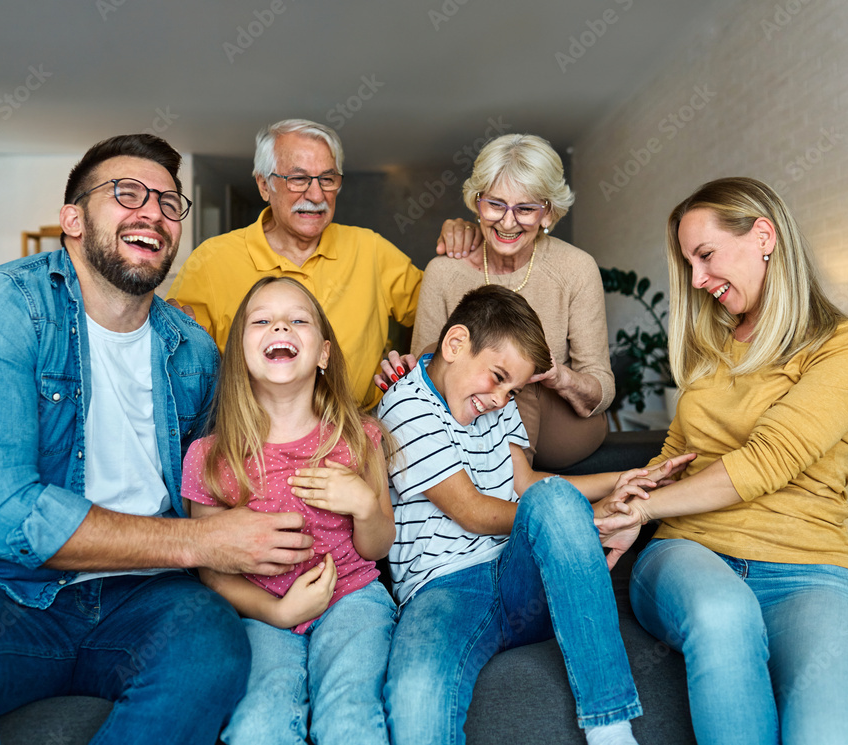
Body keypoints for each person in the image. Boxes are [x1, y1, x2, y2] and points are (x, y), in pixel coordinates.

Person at [0, 134, 315, 745]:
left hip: (143, 598)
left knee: (212, 639)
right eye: (127, 193)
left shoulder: (192, 350)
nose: (153, 213)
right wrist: (203, 540)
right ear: (73, 219)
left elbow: (227, 472)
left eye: (170, 204)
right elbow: (0, 513)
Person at [594, 177, 848, 745]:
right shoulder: (709, 347)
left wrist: (643, 508)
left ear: (763, 236)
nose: (698, 281)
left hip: (811, 569)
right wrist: (633, 501)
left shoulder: (846, 345)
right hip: (691, 552)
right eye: (690, 264)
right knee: (722, 616)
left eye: (705, 256)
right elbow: (680, 451)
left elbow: (770, 458)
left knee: (834, 731)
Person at [380, 285, 693, 745]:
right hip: (442, 590)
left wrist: (631, 475)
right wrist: (580, 518)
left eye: (515, 389)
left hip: (521, 576)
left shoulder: (494, 404)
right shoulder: (405, 406)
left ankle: (611, 727)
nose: (503, 399)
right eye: (498, 377)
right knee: (414, 698)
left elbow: (527, 485)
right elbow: (473, 511)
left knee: (551, 498)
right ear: (454, 345)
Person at [182, 276, 395, 745]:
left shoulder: (360, 438)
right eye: (262, 321)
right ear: (239, 352)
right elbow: (213, 574)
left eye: (298, 320)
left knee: (350, 717)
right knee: (258, 727)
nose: (281, 326)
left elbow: (379, 546)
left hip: (352, 599)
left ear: (323, 353)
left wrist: (363, 505)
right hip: (261, 614)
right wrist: (279, 613)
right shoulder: (210, 457)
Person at [391, 134, 614, 470]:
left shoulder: (576, 268)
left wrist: (557, 376)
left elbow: (602, 386)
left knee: (514, 374)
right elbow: (429, 367)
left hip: (561, 423)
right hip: (466, 422)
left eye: (525, 209)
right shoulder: (444, 271)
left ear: (548, 214)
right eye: (495, 205)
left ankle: (505, 497)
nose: (508, 222)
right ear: (475, 202)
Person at [166, 118, 422, 409]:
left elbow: (443, 311)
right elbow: (183, 365)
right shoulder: (212, 260)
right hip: (250, 442)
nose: (316, 195)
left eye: (327, 179)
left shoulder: (372, 249)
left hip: (360, 437)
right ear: (264, 185)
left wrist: (470, 247)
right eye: (298, 179)